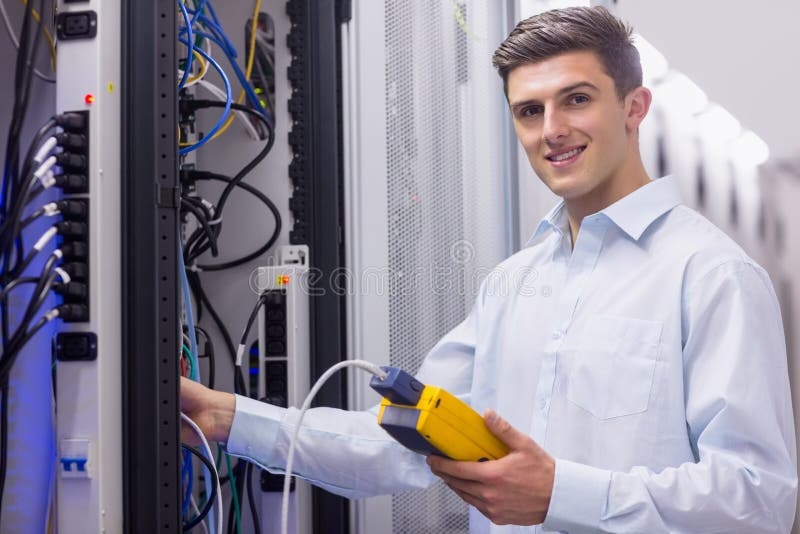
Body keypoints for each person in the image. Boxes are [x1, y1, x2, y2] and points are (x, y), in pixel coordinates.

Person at [181, 6, 798, 532]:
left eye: (576, 100)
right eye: (529, 111)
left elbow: (760, 499)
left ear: (635, 106)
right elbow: (395, 446)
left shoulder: (712, 274)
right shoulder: (513, 285)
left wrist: (562, 493)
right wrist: (223, 417)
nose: (552, 131)